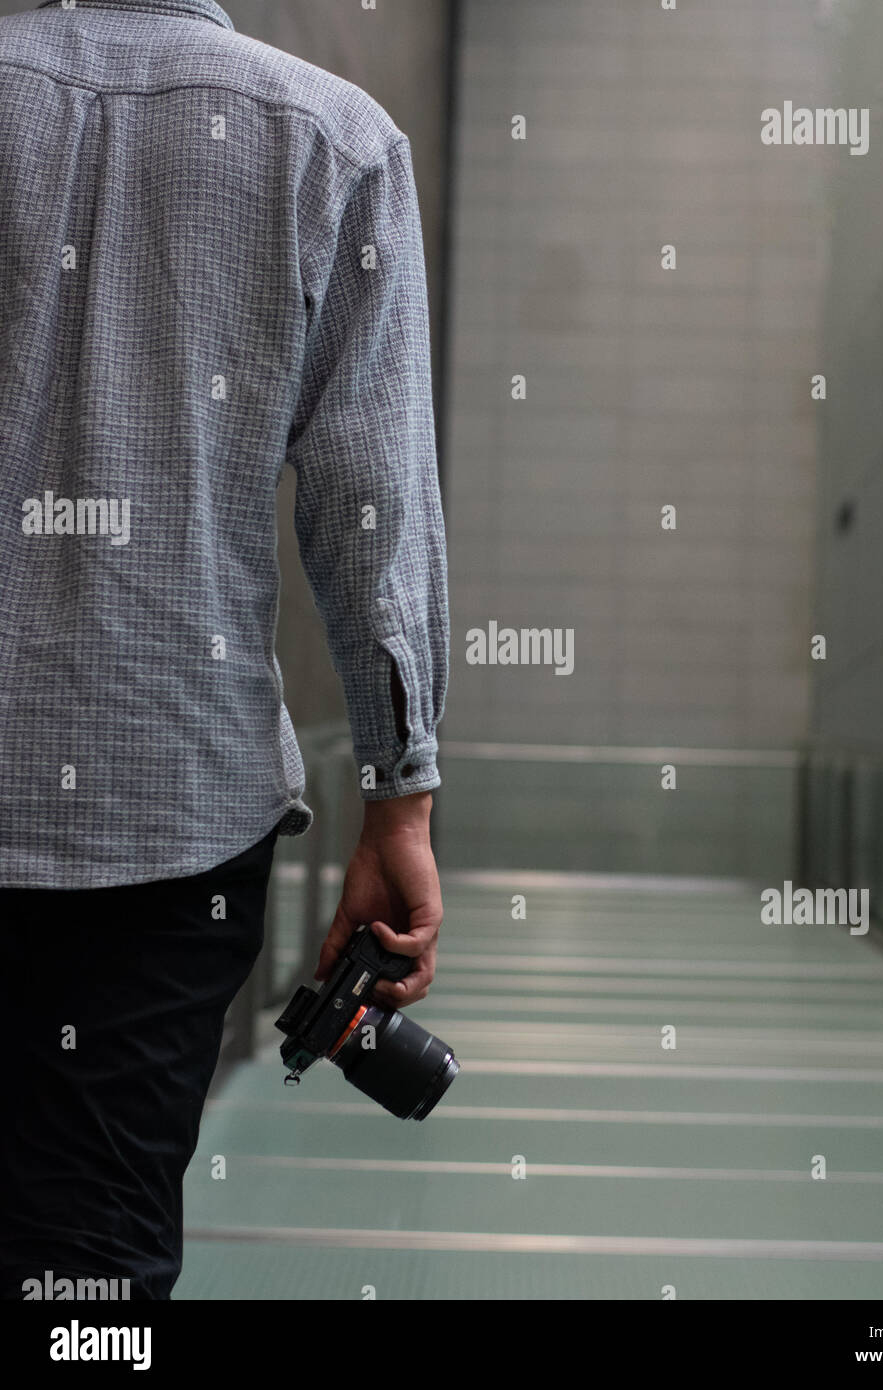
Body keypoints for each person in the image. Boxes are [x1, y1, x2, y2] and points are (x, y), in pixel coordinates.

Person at [0, 0, 449, 1300]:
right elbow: (374, 511)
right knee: (93, 1256)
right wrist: (399, 793)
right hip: (169, 821)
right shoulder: (334, 142)